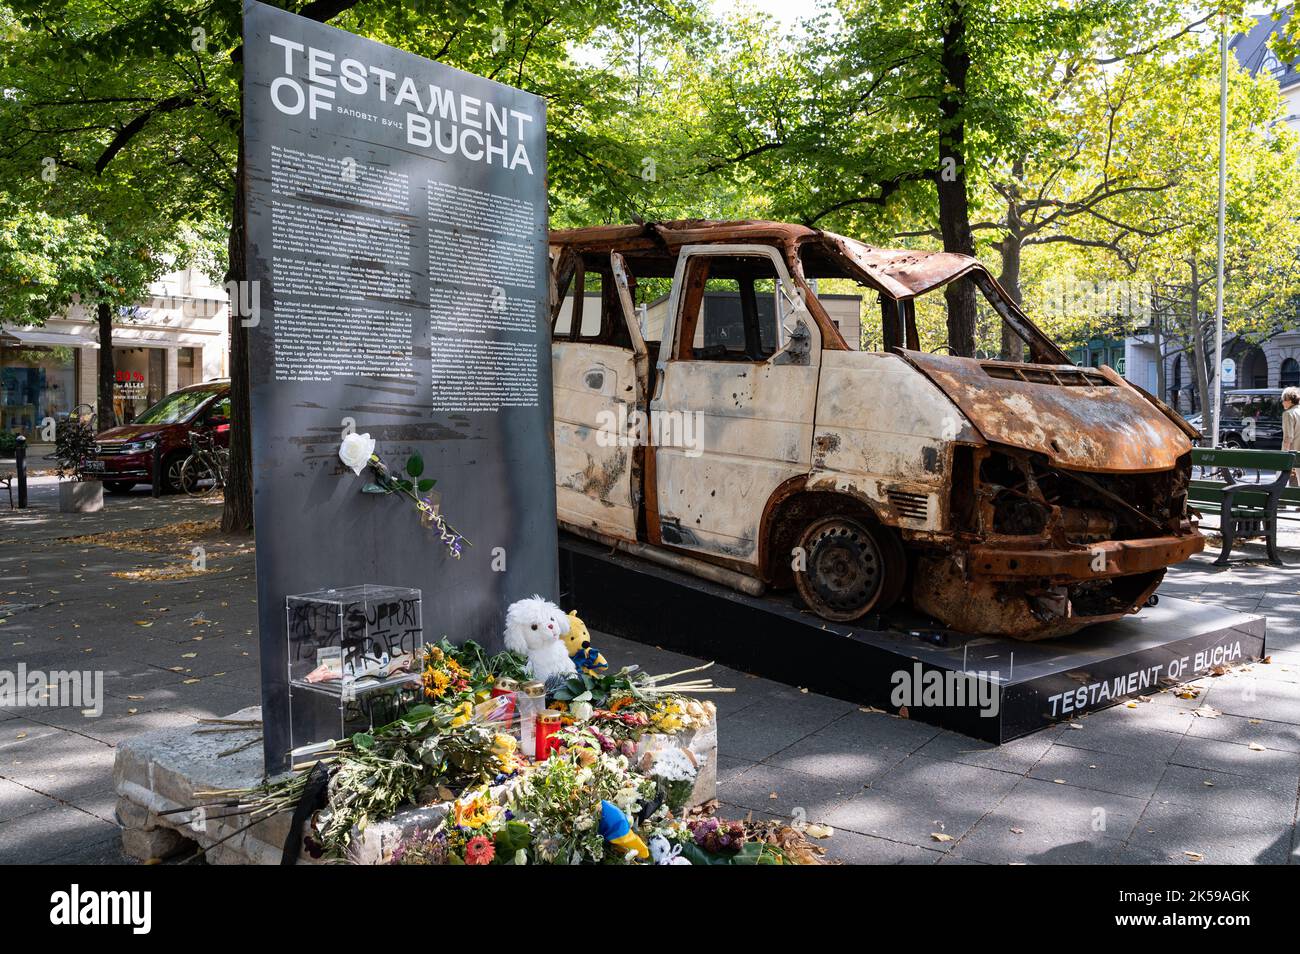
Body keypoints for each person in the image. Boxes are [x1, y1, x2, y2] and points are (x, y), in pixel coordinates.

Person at [1283, 386, 1300, 485]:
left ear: (1289, 401)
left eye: (1283, 400)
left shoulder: (1288, 414)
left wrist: (1285, 458)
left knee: (1283, 485)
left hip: (1294, 457)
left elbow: (1288, 438)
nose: (1282, 403)